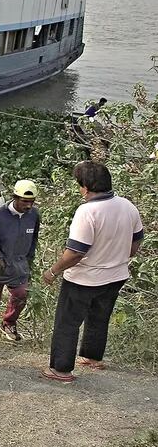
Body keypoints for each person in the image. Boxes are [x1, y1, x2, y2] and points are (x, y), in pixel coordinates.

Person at [41, 162, 143, 383]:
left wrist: (53, 271)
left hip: (84, 278)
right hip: (116, 275)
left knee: (67, 322)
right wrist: (120, 256)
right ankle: (92, 357)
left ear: (85, 187)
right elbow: (136, 241)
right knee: (99, 317)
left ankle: (61, 369)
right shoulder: (127, 206)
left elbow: (76, 252)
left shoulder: (87, 211)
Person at [0, 179, 40, 341]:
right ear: (15, 197)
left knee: (21, 294)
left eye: (32, 201)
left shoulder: (34, 215)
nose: (28, 205)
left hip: (19, 264)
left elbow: (34, 238)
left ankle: (9, 323)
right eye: (25, 201)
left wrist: (29, 260)